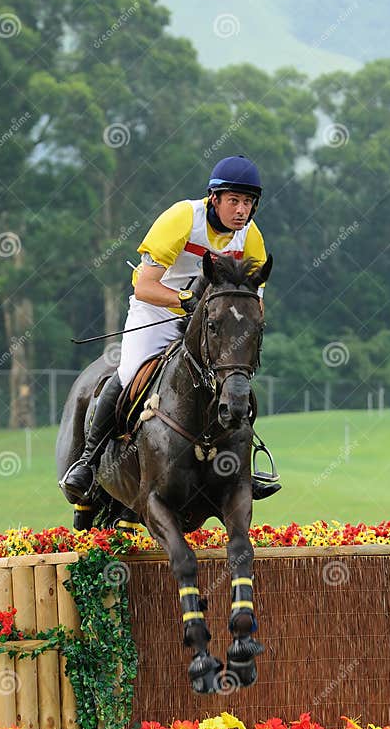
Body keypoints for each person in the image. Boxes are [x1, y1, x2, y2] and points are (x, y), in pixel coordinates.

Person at [60, 154, 281, 503]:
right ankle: (88, 461)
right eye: (234, 200)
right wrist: (186, 301)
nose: (242, 210)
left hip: (210, 325)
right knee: (131, 371)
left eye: (248, 202)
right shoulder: (182, 218)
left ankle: (241, 467)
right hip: (157, 311)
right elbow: (144, 287)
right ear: (215, 198)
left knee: (233, 380)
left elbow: (255, 302)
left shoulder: (250, 237)